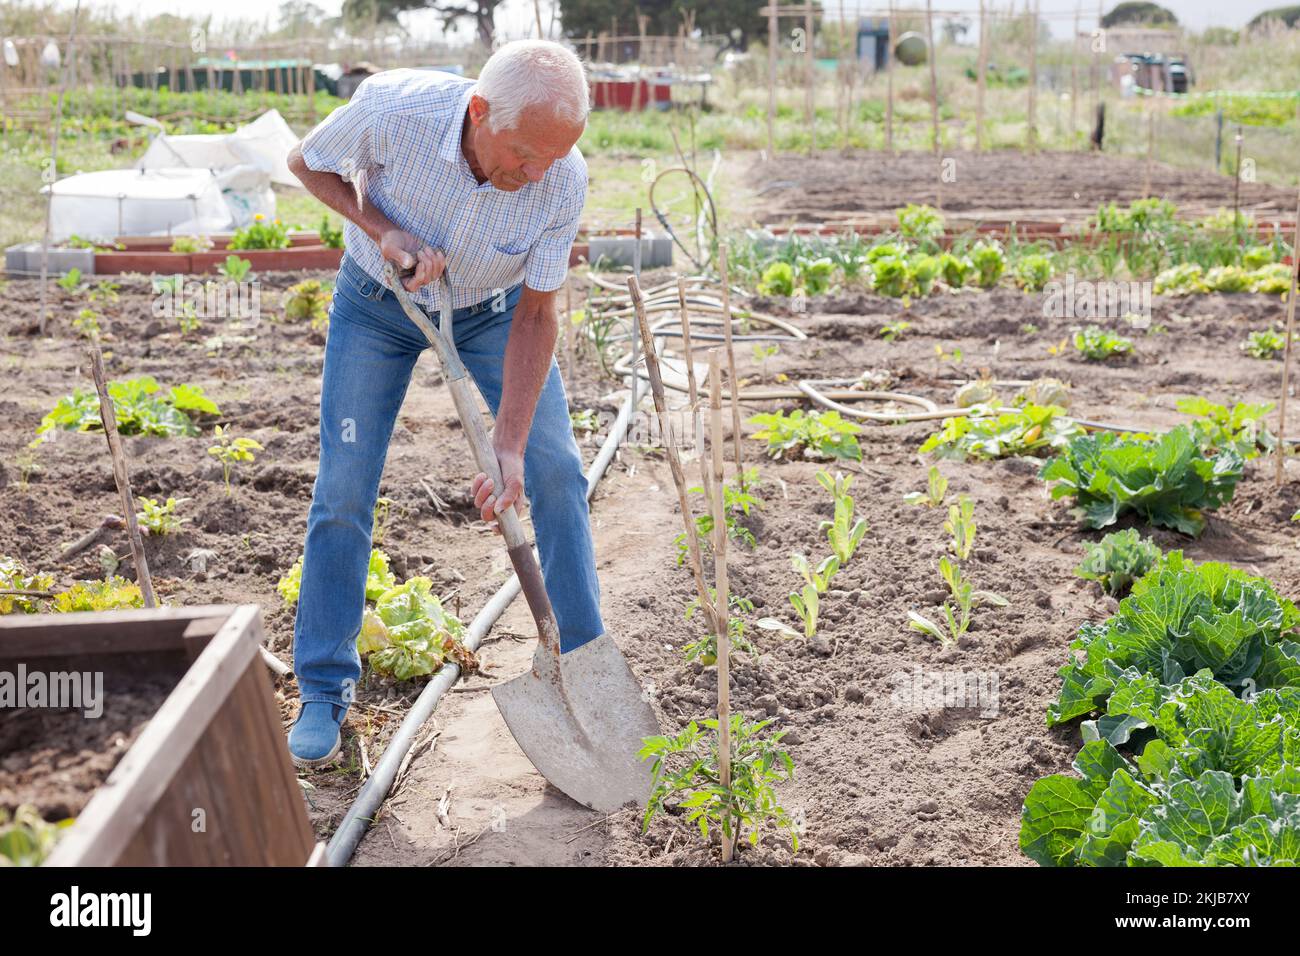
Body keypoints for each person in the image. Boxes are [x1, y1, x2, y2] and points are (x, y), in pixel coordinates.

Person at [283, 40, 600, 768]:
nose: (537, 174)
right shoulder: (396, 109)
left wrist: (510, 442)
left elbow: (537, 314)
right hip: (375, 302)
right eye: (525, 154)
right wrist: (381, 228)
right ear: (480, 112)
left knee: (554, 470)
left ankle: (582, 667)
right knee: (344, 487)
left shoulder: (561, 178)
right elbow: (308, 162)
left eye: (554, 159)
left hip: (492, 311)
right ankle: (324, 686)